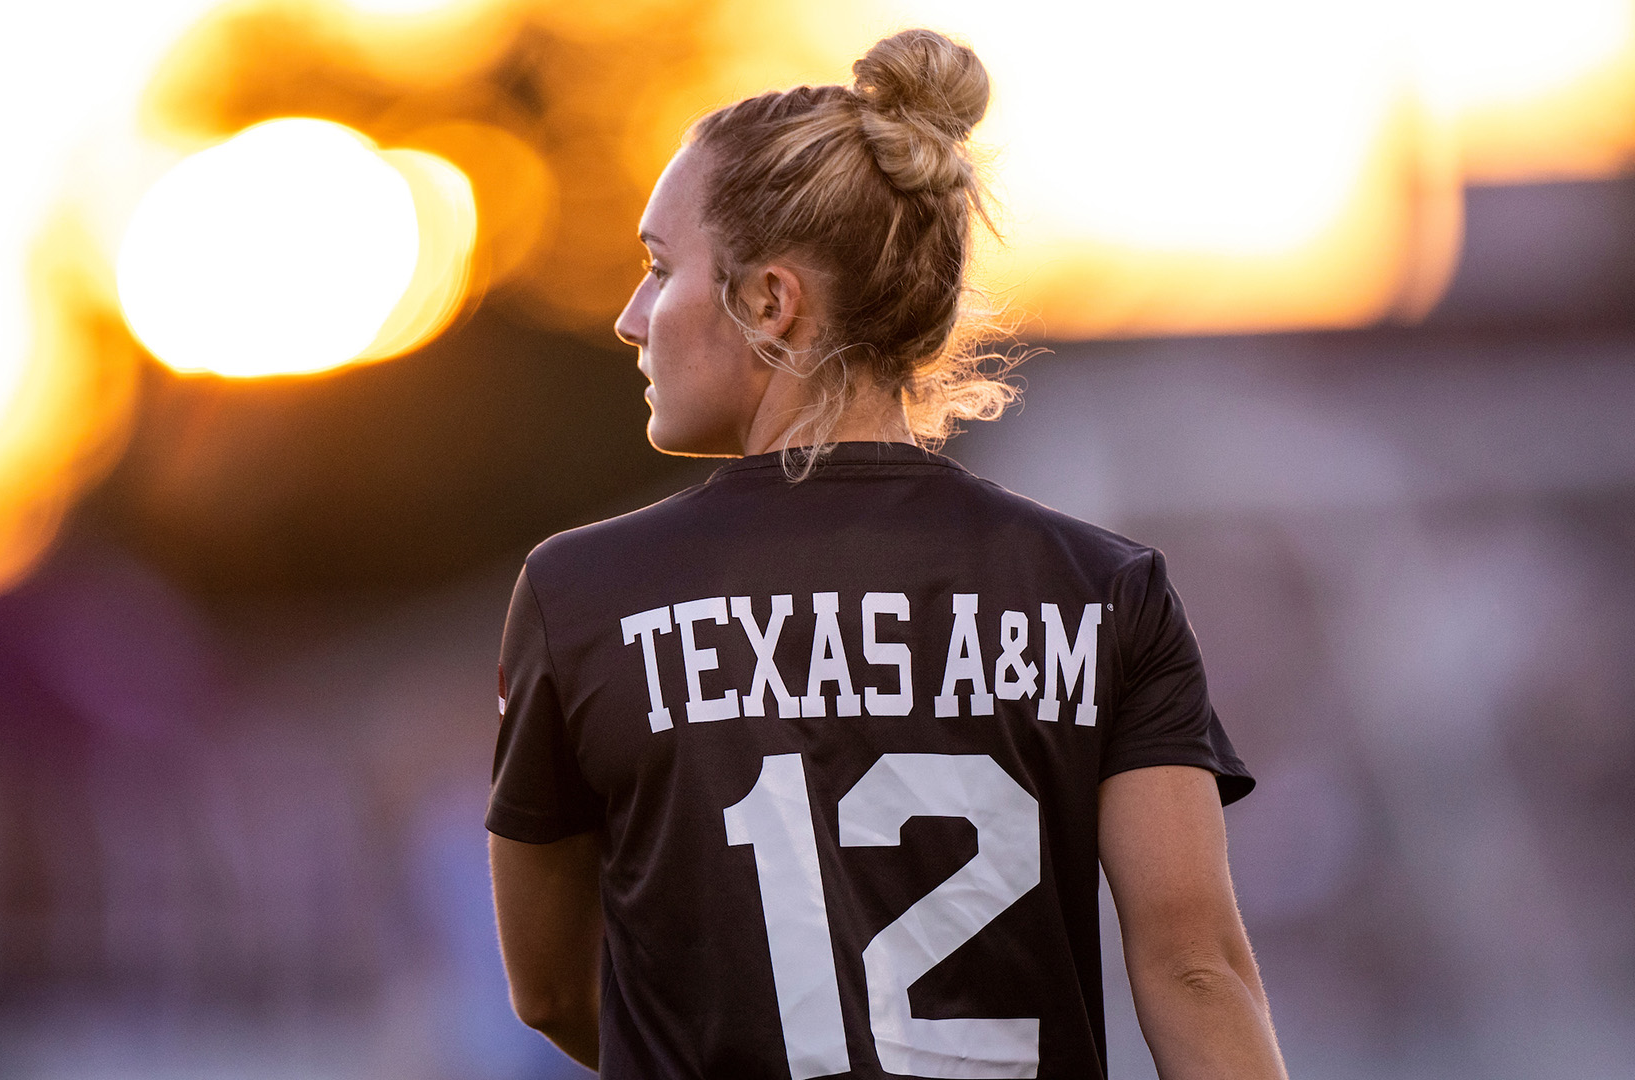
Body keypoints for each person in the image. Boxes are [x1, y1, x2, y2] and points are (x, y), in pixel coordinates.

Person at [486, 28, 1288, 1080]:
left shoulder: (578, 593)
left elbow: (550, 988)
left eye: (658, 267)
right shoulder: (1104, 591)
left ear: (769, 301)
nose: (632, 318)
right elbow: (1194, 970)